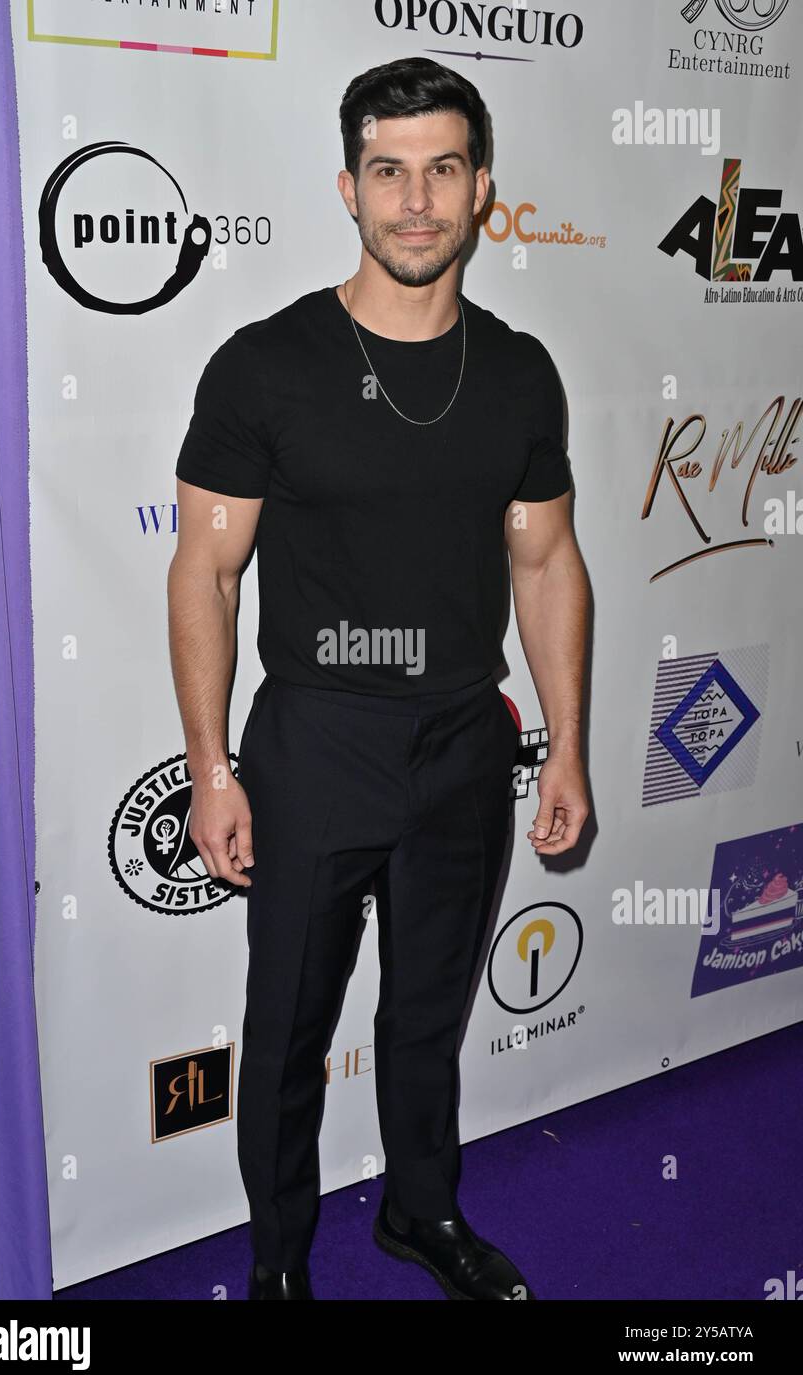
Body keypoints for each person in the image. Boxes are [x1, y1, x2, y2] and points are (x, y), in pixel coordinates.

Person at [168, 55, 590, 1301]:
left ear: (483, 191)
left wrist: (563, 741)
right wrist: (209, 766)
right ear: (347, 189)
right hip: (315, 741)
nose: (417, 201)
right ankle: (281, 1265)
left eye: (442, 170)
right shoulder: (264, 363)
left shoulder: (519, 370)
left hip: (465, 740)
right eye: (389, 173)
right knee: (292, 1030)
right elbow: (205, 574)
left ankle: (420, 1213)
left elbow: (550, 558)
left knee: (427, 1019)